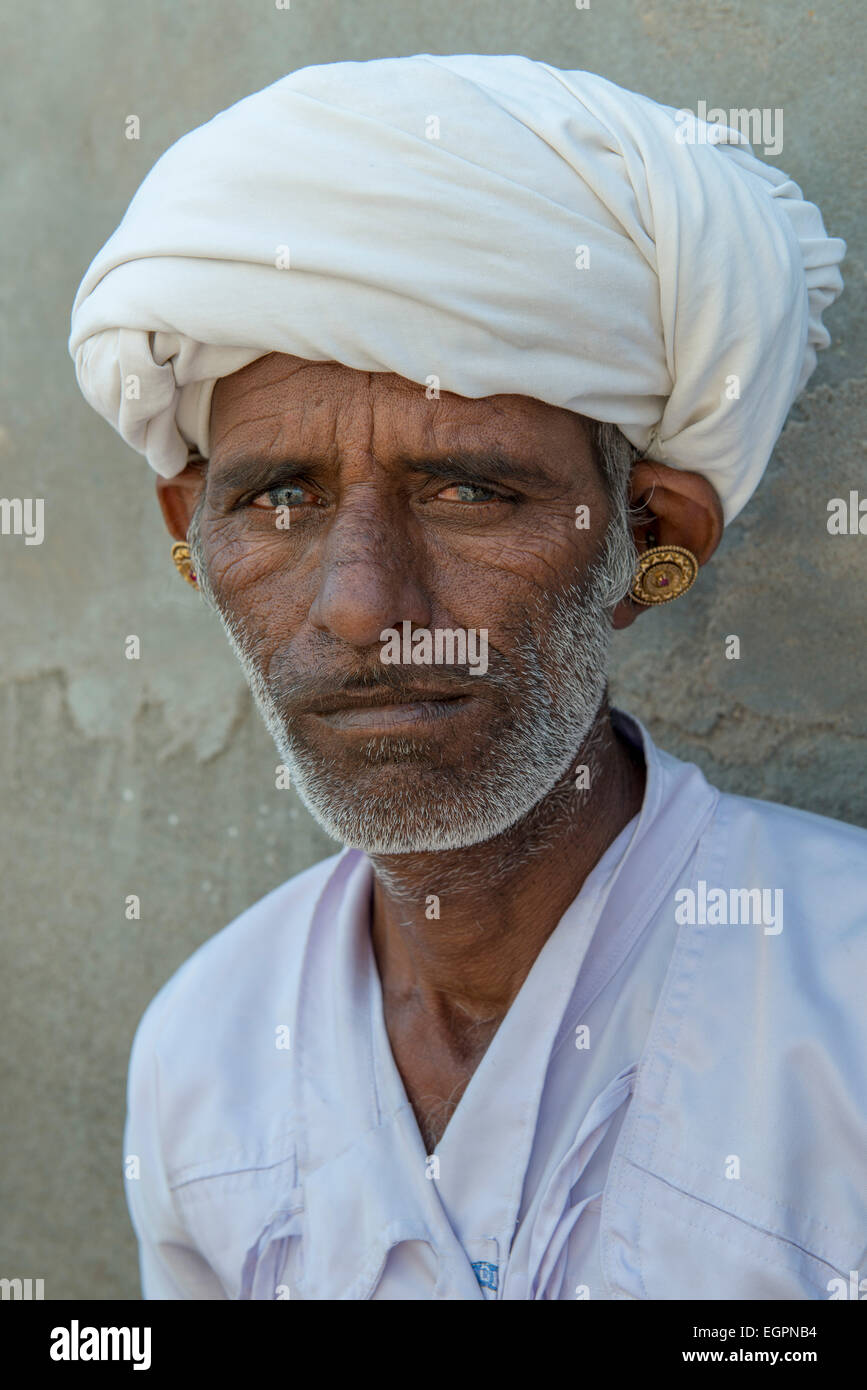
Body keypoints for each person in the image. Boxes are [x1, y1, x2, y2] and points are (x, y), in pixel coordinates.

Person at [69, 54, 865, 1300]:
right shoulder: (205, 1059)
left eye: (468, 491)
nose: (359, 606)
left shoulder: (845, 1012)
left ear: (649, 536)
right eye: (279, 500)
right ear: (193, 535)